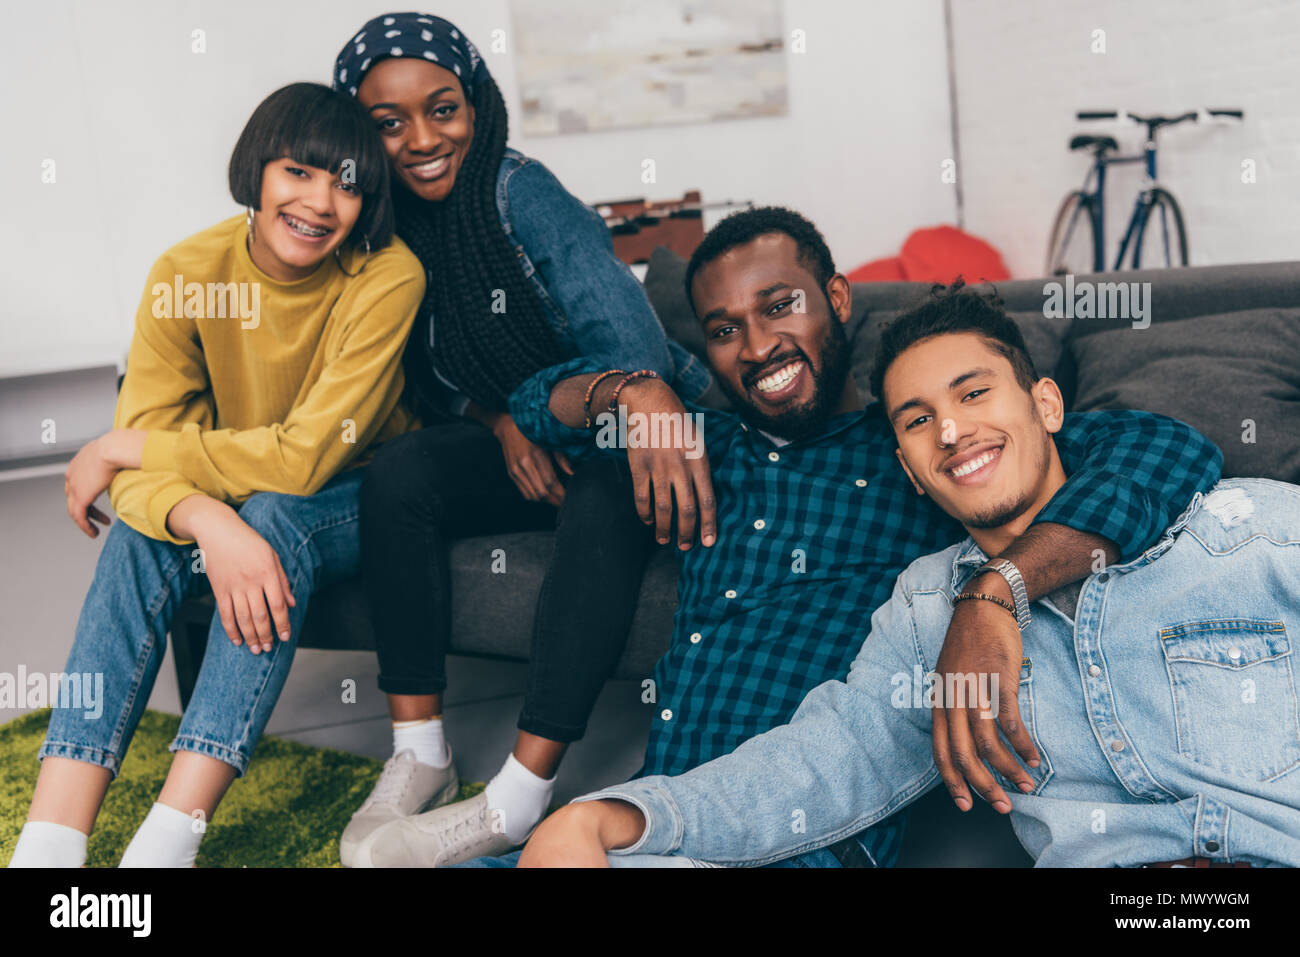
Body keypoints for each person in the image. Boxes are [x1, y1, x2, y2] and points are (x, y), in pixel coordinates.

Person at [380, 206, 1222, 868]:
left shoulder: (920, 450)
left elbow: (1165, 447)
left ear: (839, 300)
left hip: (805, 834)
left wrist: (996, 589)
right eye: (723, 329)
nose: (757, 345)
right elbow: (537, 404)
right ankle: (520, 797)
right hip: (664, 807)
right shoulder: (710, 441)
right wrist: (635, 391)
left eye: (780, 305)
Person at [517, 284, 1300, 868]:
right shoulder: (926, 609)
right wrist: (620, 814)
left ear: (1049, 405)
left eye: (973, 392)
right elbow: (826, 762)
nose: (952, 430)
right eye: (918, 419)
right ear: (910, 471)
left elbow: (1157, 446)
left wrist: (999, 590)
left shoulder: (1249, 533)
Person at [331, 13, 714, 868]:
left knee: (607, 479)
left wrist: (538, 413)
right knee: (400, 475)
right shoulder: (380, 228)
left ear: (479, 106)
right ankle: (420, 750)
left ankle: (519, 794)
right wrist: (500, 421)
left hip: (628, 431)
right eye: (389, 123)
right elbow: (428, 379)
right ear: (360, 132)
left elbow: (637, 363)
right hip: (532, 438)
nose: (423, 140)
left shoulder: (519, 194)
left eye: (444, 109)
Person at [8, 82, 424, 868]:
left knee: (272, 513)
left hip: (364, 492)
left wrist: (123, 446)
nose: (320, 201)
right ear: (259, 169)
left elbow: (303, 458)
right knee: (144, 534)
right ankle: (51, 842)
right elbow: (140, 474)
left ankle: (168, 841)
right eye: (301, 171)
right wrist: (205, 517)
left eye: (348, 183)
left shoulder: (386, 275)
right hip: (239, 492)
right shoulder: (188, 269)